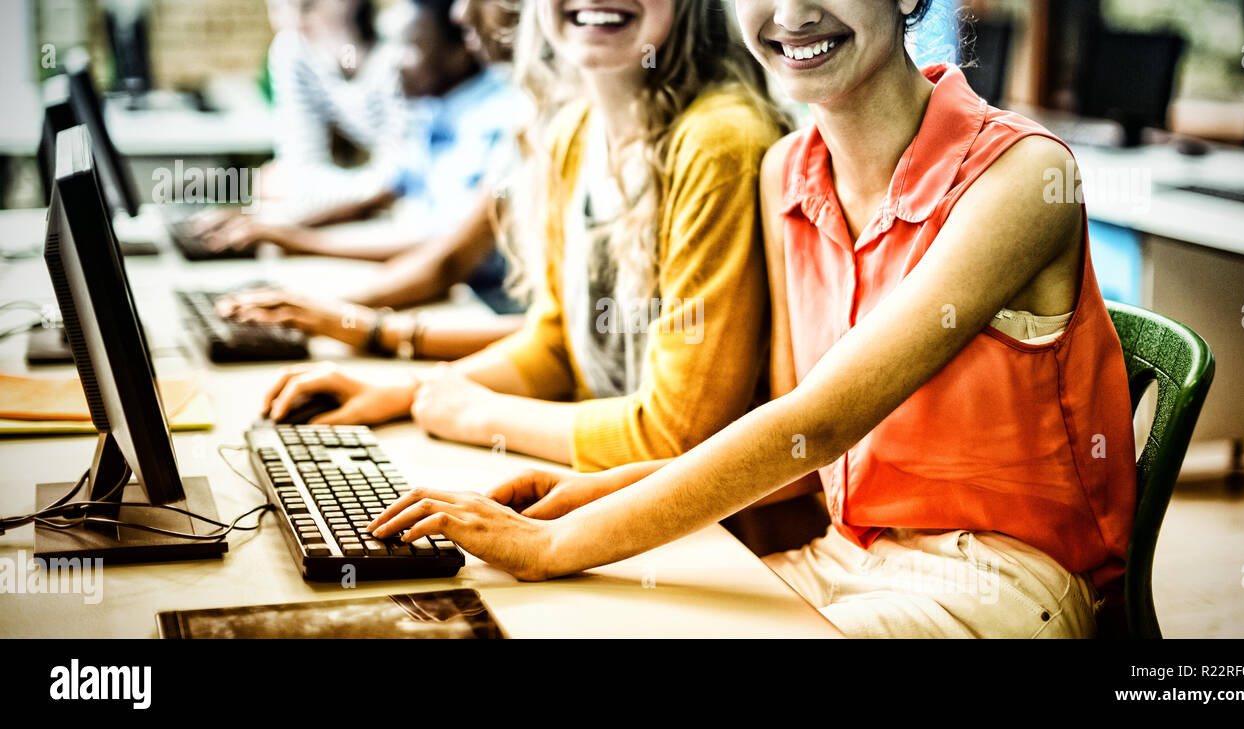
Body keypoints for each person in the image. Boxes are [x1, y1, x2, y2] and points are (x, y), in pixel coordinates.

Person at [365, 0, 1138, 639]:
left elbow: (823, 417)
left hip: (994, 579)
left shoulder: (1023, 172)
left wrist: (554, 542)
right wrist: (600, 488)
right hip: (842, 556)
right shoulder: (786, 173)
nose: (793, 13)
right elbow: (805, 450)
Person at [259, 0, 790, 471]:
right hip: (610, 490)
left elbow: (679, 434)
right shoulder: (575, 132)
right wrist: (406, 392)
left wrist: (476, 413)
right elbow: (557, 347)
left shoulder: (718, 142)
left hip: (721, 534)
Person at [220, 0, 531, 359]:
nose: (394, 62)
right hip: (468, 308)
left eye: (409, 49)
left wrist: (331, 304)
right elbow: (389, 189)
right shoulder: (438, 107)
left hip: (488, 312)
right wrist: (285, 231)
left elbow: (445, 257)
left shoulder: (505, 119)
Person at [256, 0, 410, 220]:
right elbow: (299, 165)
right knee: (273, 183)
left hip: (424, 195)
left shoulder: (405, 47)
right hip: (379, 190)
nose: (292, 22)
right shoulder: (293, 49)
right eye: (278, 7)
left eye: (307, 6)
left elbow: (408, 179)